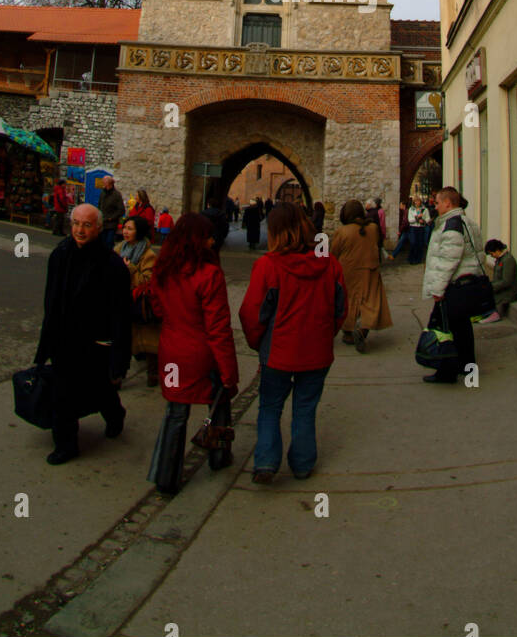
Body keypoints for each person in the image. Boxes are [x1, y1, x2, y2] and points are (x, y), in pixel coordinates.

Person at [239, 202, 347, 482]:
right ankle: (301, 464)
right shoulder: (330, 265)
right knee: (305, 408)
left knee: (270, 407)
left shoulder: (268, 266)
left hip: (278, 352)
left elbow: (252, 313)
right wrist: (325, 336)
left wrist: (257, 343)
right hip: (317, 352)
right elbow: (340, 309)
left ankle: (265, 461)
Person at [146, 214, 239, 495]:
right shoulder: (209, 274)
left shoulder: (163, 269)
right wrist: (229, 372)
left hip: (172, 350)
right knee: (219, 401)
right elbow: (218, 328)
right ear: (198, 240)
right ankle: (219, 455)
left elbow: (157, 309)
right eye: (209, 236)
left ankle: (165, 475)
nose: (213, 241)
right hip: (202, 354)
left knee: (175, 412)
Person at [33, 203, 131, 464]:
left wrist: (119, 357)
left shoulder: (112, 265)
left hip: (96, 341)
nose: (80, 229)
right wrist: (47, 339)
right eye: (76, 223)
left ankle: (115, 414)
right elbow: (50, 299)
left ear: (98, 228)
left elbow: (121, 314)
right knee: (62, 393)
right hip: (64, 339)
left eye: (87, 225)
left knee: (100, 388)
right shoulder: (61, 255)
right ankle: (65, 445)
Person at [420, 186, 488, 384]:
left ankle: (446, 371)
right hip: (467, 284)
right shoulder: (468, 222)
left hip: (454, 286)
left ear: (448, 203)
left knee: (444, 331)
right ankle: (467, 367)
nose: (436, 205)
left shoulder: (451, 225)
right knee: (462, 329)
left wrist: (438, 289)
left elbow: (449, 260)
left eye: (438, 202)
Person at [331, 200, 392, 352]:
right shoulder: (373, 228)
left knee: (348, 302)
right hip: (369, 270)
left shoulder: (343, 231)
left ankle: (348, 333)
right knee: (371, 302)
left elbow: (334, 252)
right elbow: (377, 244)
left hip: (348, 271)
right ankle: (363, 330)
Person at [117, 218, 161, 386]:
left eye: (130, 228)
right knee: (123, 340)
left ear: (139, 232)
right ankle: (117, 375)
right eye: (125, 228)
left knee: (148, 342)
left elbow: (147, 281)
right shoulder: (120, 248)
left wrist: (129, 269)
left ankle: (153, 373)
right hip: (122, 301)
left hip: (140, 303)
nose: (125, 231)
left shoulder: (149, 255)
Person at [481, 239, 517, 321]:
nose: (492, 256)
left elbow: (507, 281)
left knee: (489, 298)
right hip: (500, 288)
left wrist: (491, 286)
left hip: (508, 292)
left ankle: (494, 314)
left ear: (497, 250)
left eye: (492, 254)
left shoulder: (508, 260)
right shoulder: (501, 259)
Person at [98, 175, 124, 251]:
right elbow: (99, 205)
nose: (103, 185)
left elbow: (121, 210)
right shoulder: (102, 193)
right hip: (103, 223)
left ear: (110, 184)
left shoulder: (116, 195)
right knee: (102, 242)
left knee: (109, 242)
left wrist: (112, 218)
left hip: (111, 224)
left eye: (104, 183)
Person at [201, 188, 230, 253]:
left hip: (206, 238)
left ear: (208, 205)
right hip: (218, 238)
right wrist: (223, 236)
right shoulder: (221, 214)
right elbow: (225, 226)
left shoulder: (203, 213)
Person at [407, 195, 430, 263]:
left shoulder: (425, 210)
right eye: (415, 201)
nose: (417, 202)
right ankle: (411, 258)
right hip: (413, 227)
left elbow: (428, 219)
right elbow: (410, 220)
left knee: (420, 243)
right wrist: (416, 218)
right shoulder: (411, 209)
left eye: (418, 201)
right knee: (413, 242)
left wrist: (423, 220)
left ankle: (418, 259)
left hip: (421, 227)